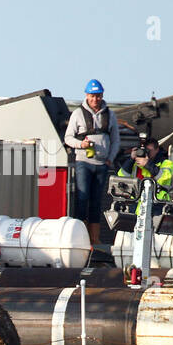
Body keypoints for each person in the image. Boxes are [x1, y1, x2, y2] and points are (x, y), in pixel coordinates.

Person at [63, 79, 121, 245]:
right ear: (87, 96)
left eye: (98, 96)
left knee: (96, 202)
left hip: (102, 165)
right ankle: (79, 237)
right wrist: (80, 144)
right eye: (92, 96)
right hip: (84, 163)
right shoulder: (77, 114)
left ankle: (94, 239)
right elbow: (67, 138)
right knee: (82, 199)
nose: (95, 99)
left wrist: (110, 158)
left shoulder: (109, 114)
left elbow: (116, 139)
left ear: (102, 95)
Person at [118, 136, 173, 200]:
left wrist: (147, 164)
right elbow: (122, 176)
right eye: (145, 150)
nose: (147, 153)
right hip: (137, 202)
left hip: (157, 202)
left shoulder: (166, 163)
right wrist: (131, 159)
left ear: (157, 150)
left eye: (149, 150)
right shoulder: (137, 164)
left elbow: (164, 179)